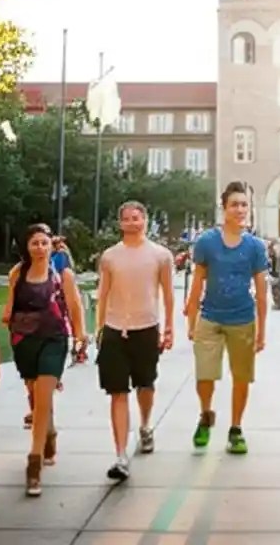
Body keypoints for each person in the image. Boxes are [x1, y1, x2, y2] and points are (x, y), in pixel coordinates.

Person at [1, 223, 86, 496]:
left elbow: (74, 305)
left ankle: (34, 463)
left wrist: (81, 335)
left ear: (52, 246)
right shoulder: (18, 272)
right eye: (34, 243)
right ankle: (48, 432)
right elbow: (10, 303)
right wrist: (7, 316)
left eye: (44, 243)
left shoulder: (63, 274)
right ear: (27, 247)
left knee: (44, 395)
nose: (39, 248)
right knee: (35, 397)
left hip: (54, 338)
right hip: (24, 340)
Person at [185, 181, 269, 454]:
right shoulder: (208, 242)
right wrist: (191, 321)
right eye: (234, 204)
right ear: (224, 208)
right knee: (205, 376)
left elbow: (261, 290)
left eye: (244, 205)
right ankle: (206, 414)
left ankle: (236, 428)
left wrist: (262, 331)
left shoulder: (255, 246)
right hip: (210, 317)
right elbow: (197, 283)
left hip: (243, 318)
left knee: (242, 377)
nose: (240, 209)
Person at [95, 201, 175, 481]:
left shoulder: (160, 255)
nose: (131, 222)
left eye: (136, 217)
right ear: (120, 223)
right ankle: (120, 455)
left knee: (145, 384)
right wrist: (99, 329)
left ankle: (145, 425)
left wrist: (169, 329)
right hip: (115, 329)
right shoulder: (110, 257)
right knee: (117, 391)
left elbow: (167, 294)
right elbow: (103, 293)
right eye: (126, 219)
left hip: (146, 327)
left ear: (145, 220)